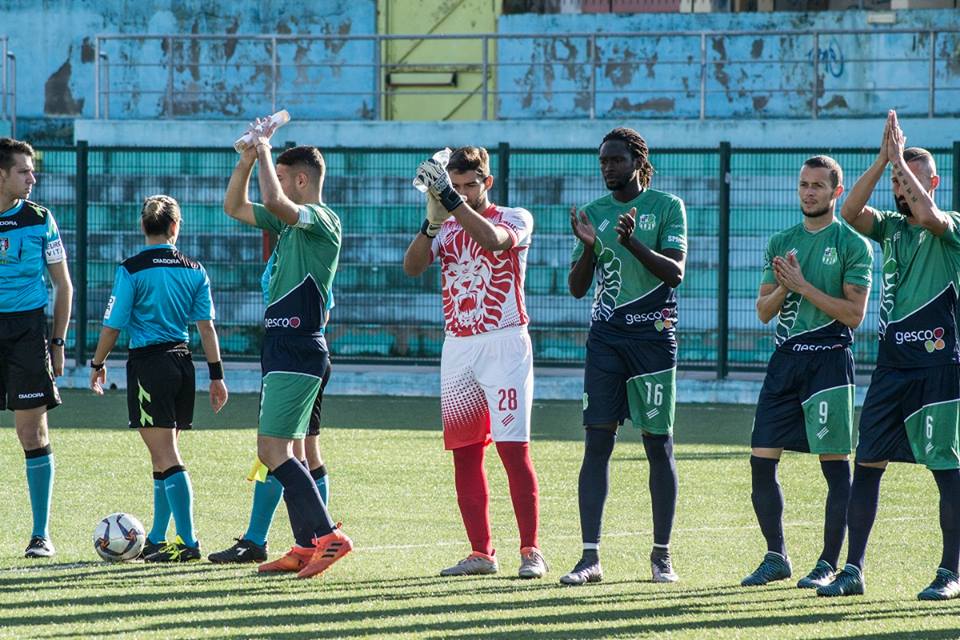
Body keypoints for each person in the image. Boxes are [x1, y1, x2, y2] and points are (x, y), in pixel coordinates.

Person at [820, 110, 960, 600]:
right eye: (899, 181)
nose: (901, 188)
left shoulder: (952, 225)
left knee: (946, 466)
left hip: (940, 366)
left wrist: (901, 157)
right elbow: (850, 212)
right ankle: (853, 570)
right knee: (869, 462)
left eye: (909, 178)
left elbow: (931, 216)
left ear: (934, 181)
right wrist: (884, 161)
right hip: (892, 366)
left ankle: (950, 572)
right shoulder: (891, 228)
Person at [403, 146, 547, 579]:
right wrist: (431, 222)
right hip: (460, 345)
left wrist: (449, 200)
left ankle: (531, 551)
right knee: (464, 454)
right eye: (456, 185)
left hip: (505, 343)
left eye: (470, 185)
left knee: (512, 450)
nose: (463, 193)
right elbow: (411, 267)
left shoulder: (515, 217)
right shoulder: (445, 225)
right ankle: (481, 553)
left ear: (488, 182)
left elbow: (493, 240)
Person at [223, 117, 350, 579]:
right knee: (291, 450)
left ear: (300, 179)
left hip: (296, 347)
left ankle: (326, 536)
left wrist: (262, 149)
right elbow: (234, 206)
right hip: (285, 347)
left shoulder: (323, 219)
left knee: (271, 449)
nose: (272, 176)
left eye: (279, 168)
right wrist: (246, 160)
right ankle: (304, 545)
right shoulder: (288, 226)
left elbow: (274, 198)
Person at [561, 127, 686, 586]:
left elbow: (674, 273)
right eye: (603, 162)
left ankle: (661, 557)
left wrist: (632, 242)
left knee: (658, 445)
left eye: (616, 160)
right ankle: (590, 558)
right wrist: (592, 247)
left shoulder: (667, 207)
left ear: (638, 161)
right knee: (597, 444)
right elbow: (576, 290)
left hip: (653, 342)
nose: (608, 168)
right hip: (606, 343)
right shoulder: (593, 214)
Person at [741, 156, 872, 589]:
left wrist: (804, 287)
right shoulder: (781, 241)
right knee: (761, 459)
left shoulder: (854, 244)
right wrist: (784, 285)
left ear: (837, 192)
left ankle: (828, 563)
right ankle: (776, 556)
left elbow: (854, 315)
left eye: (818, 185)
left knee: (834, 465)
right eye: (803, 184)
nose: (809, 192)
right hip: (785, 360)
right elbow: (762, 312)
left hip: (830, 359)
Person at [89, 194, 229, 562]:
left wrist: (97, 362)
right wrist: (217, 376)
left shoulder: (131, 269)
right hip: (183, 363)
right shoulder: (195, 269)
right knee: (161, 457)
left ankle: (187, 542)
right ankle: (156, 536)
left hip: (150, 365)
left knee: (167, 455)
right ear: (174, 227)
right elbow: (207, 328)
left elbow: (112, 325)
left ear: (143, 226)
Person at [208, 250, 333, 564]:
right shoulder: (294, 253)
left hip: (293, 359)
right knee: (301, 452)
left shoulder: (304, 255)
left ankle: (276, 539)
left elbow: (322, 310)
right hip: (297, 355)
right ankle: (308, 542)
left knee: (277, 450)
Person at [0, 137, 73, 558]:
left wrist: (57, 342)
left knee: (32, 431)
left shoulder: (41, 218)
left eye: (33, 170)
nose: (33, 177)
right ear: (2, 175)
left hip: (28, 332)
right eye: (24, 171)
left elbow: (64, 285)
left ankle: (41, 534)